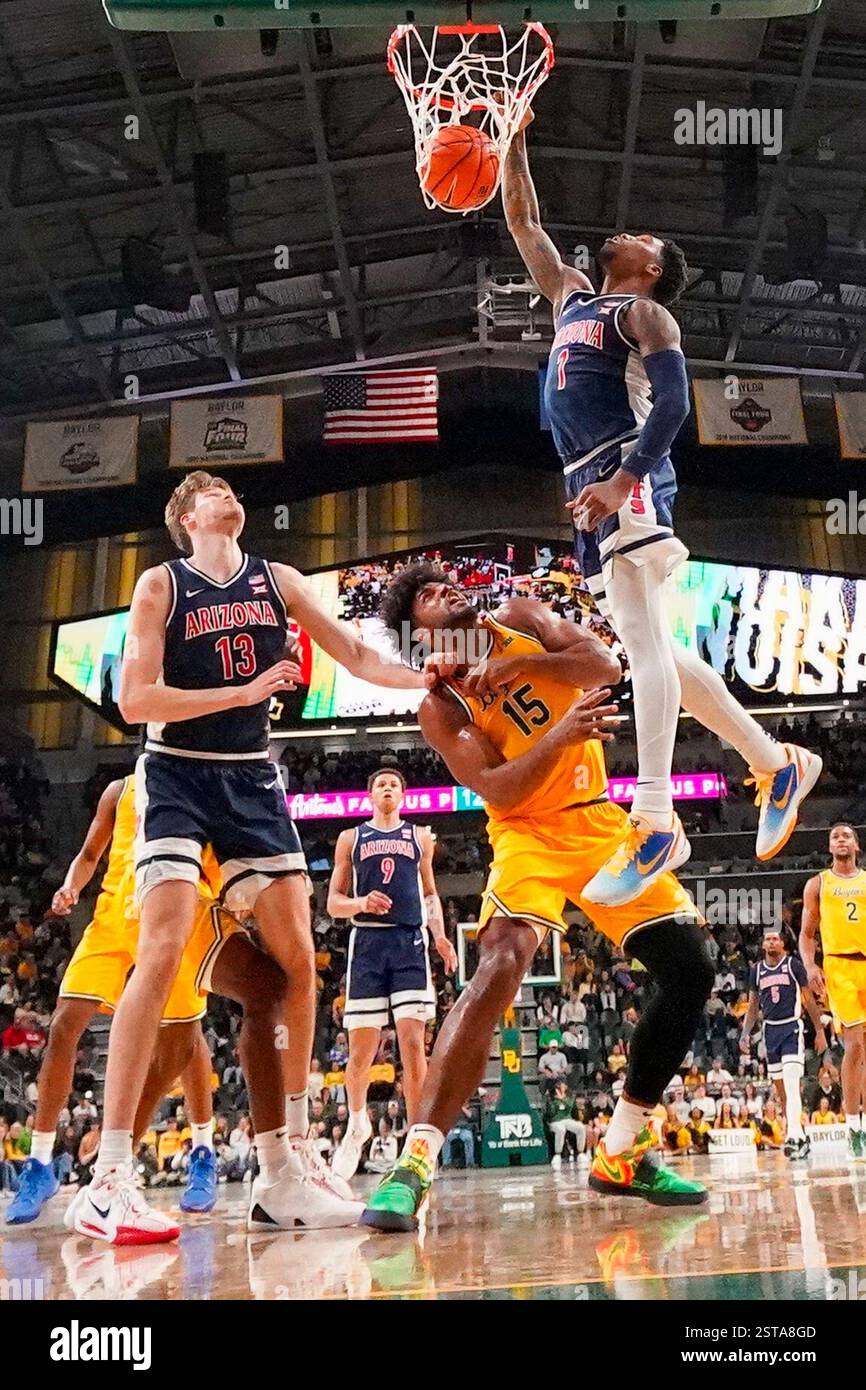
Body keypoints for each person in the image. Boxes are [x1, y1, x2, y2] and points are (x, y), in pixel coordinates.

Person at [77, 471, 428, 1242]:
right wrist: (239, 694)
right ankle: (108, 1175)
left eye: (230, 486)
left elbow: (360, 661)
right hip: (175, 775)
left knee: (296, 963)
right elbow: (136, 701)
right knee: (162, 951)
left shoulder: (282, 579)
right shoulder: (160, 585)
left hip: (252, 781)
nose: (226, 494)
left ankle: (286, 1165)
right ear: (186, 518)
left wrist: (428, 680)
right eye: (209, 489)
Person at [501, 113, 820, 905]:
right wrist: (511, 135)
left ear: (650, 268)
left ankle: (654, 816)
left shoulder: (646, 316)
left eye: (641, 236)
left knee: (642, 648)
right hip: (592, 483)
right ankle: (776, 762)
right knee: (657, 653)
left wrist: (620, 482)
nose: (625, 232)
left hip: (627, 472)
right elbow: (523, 220)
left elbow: (675, 407)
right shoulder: (574, 298)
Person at [362, 569, 712, 1231]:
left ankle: (623, 1150)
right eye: (427, 600)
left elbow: (605, 664)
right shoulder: (443, 706)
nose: (444, 592)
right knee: (498, 964)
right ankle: (414, 1164)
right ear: (421, 637)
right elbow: (499, 790)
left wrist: (530, 662)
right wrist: (560, 734)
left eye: (443, 585)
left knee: (691, 968)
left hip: (600, 821)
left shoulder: (520, 616)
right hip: (528, 833)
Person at [6, 775, 223, 1226]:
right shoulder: (119, 791)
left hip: (175, 917)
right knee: (64, 1024)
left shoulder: (200, 782)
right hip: (113, 920)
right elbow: (89, 856)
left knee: (186, 1038)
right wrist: (71, 886)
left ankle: (203, 1151)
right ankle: (40, 1163)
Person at [327, 767, 456, 1181]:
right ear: (370, 795)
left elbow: (431, 894)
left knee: (412, 1045)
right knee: (361, 1052)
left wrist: (440, 937)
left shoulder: (419, 837)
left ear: (403, 795)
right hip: (366, 945)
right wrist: (362, 902)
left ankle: (417, 1142)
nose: (386, 788)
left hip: (409, 944)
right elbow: (332, 903)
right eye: (379, 783)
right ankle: (357, 1123)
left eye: (394, 784)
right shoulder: (351, 838)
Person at [800, 824, 866, 1161]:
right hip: (840, 967)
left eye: (846, 836)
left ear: (856, 844)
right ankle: (854, 1126)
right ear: (830, 847)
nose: (841, 840)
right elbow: (807, 933)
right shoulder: (819, 884)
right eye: (835, 837)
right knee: (854, 1046)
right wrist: (811, 967)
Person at [740, 927, 826, 1161]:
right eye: (767, 939)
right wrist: (745, 1034)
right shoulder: (756, 971)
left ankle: (794, 1138)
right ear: (763, 945)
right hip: (770, 1031)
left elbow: (808, 999)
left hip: (791, 1027)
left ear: (783, 943)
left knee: (790, 1083)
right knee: (783, 1094)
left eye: (775, 938)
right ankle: (800, 1133)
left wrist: (819, 1031)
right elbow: (752, 1006)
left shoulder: (793, 965)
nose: (770, 942)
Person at [545, 1081, 586, 1168]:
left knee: (581, 1127)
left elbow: (569, 1107)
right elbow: (551, 1113)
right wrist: (557, 1100)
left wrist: (562, 1099)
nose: (563, 1087)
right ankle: (558, 1154)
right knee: (561, 1129)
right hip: (555, 1121)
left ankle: (580, 1152)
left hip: (567, 1120)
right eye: (561, 1086)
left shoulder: (569, 1098)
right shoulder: (551, 1099)